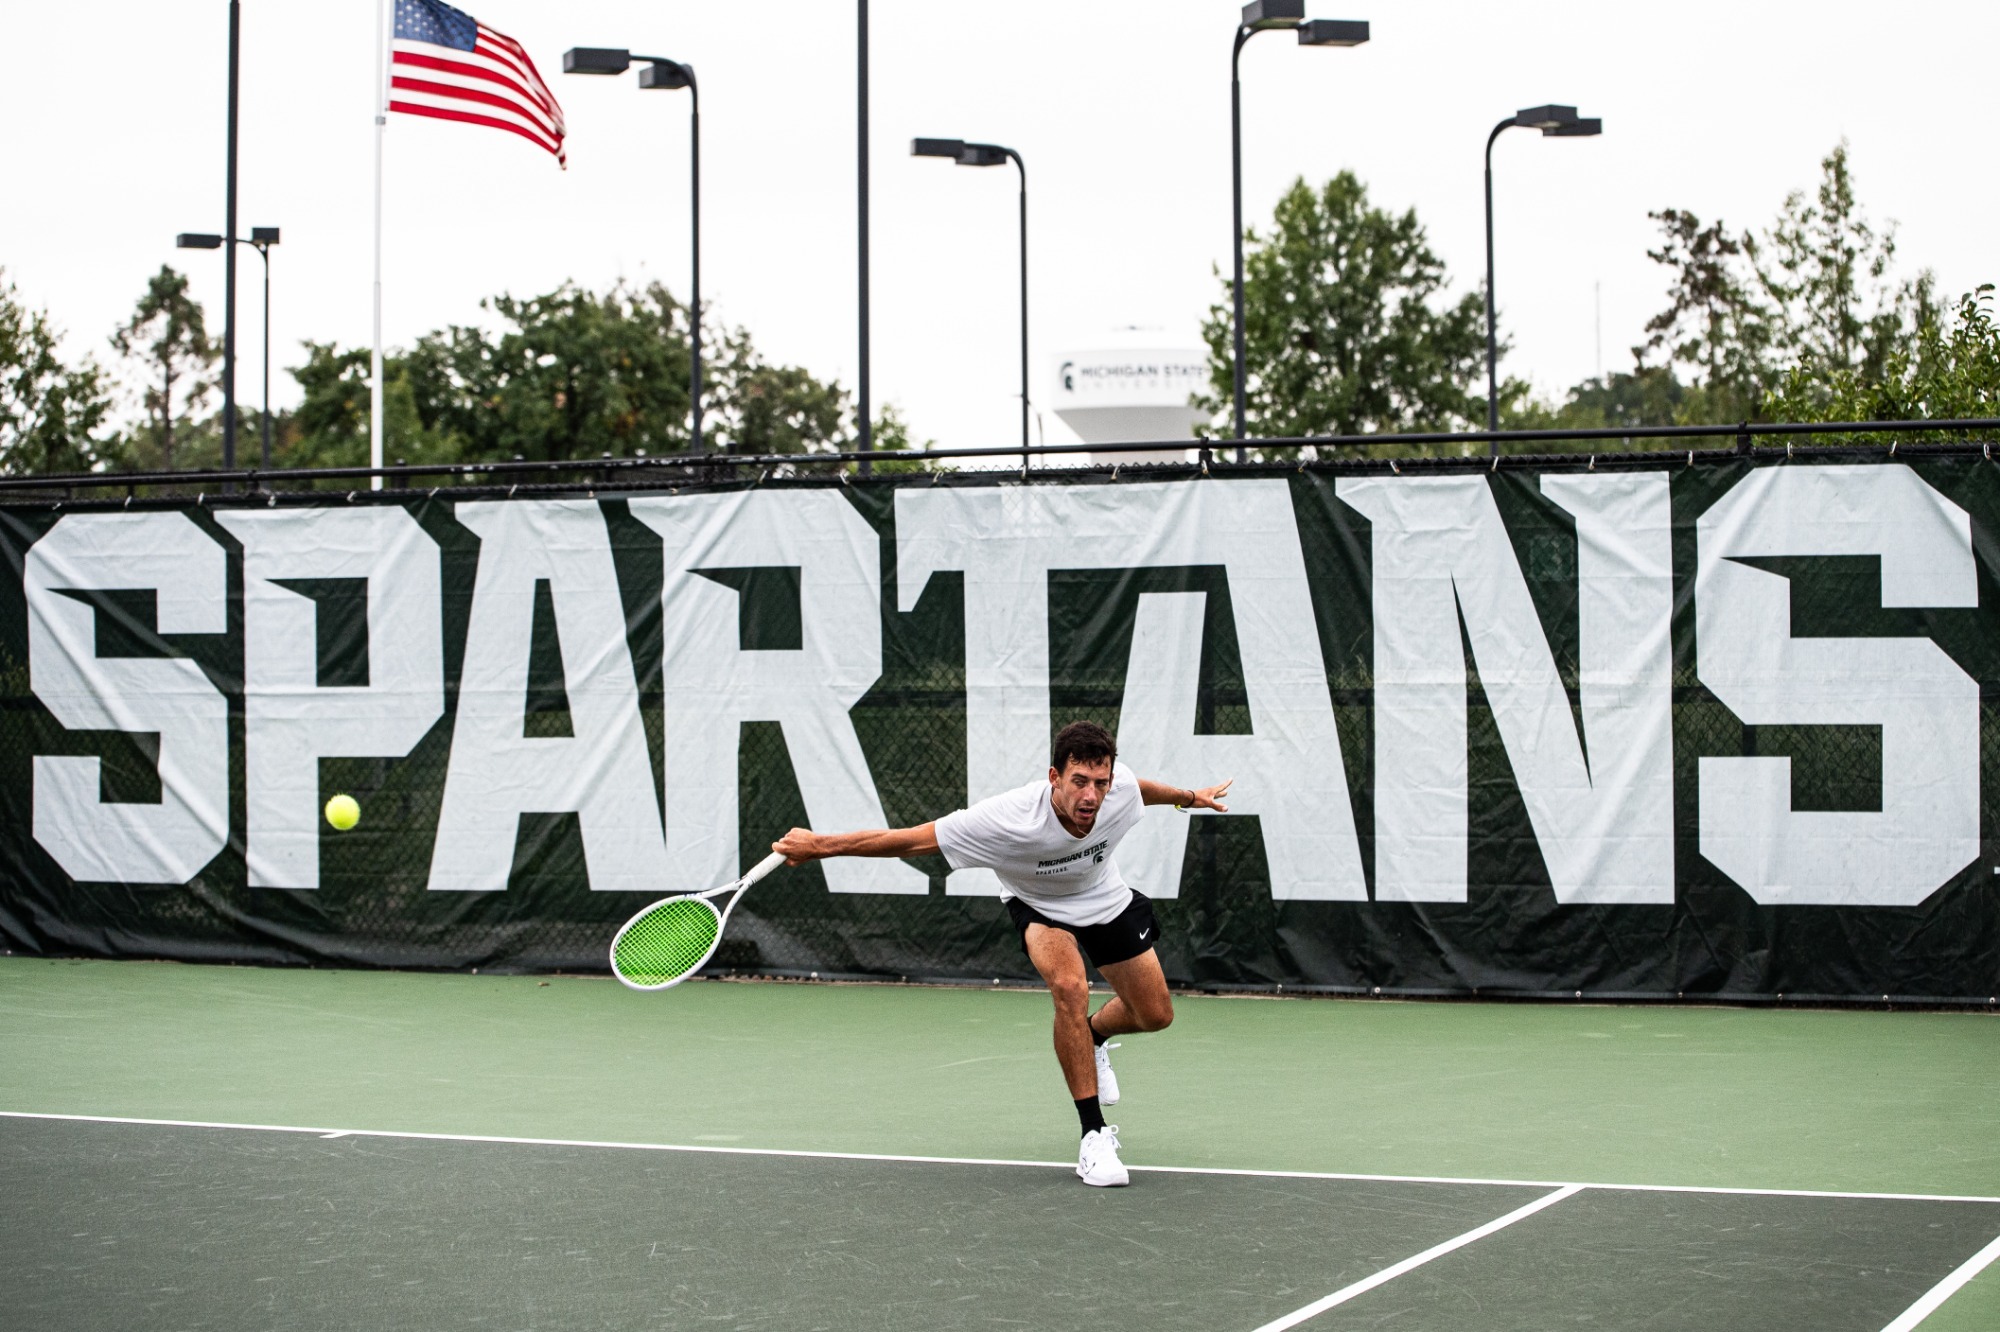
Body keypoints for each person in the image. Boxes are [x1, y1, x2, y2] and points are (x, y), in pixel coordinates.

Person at [772, 720, 1231, 1187]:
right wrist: (820, 846)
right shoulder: (1006, 819)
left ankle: (1092, 1036)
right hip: (1040, 906)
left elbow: (1143, 790)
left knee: (1155, 1015)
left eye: (1100, 783)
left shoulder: (1120, 789)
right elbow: (912, 840)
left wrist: (1189, 797)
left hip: (1103, 896)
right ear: (1054, 777)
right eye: (1079, 782)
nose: (1091, 796)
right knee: (1070, 987)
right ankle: (1093, 1135)